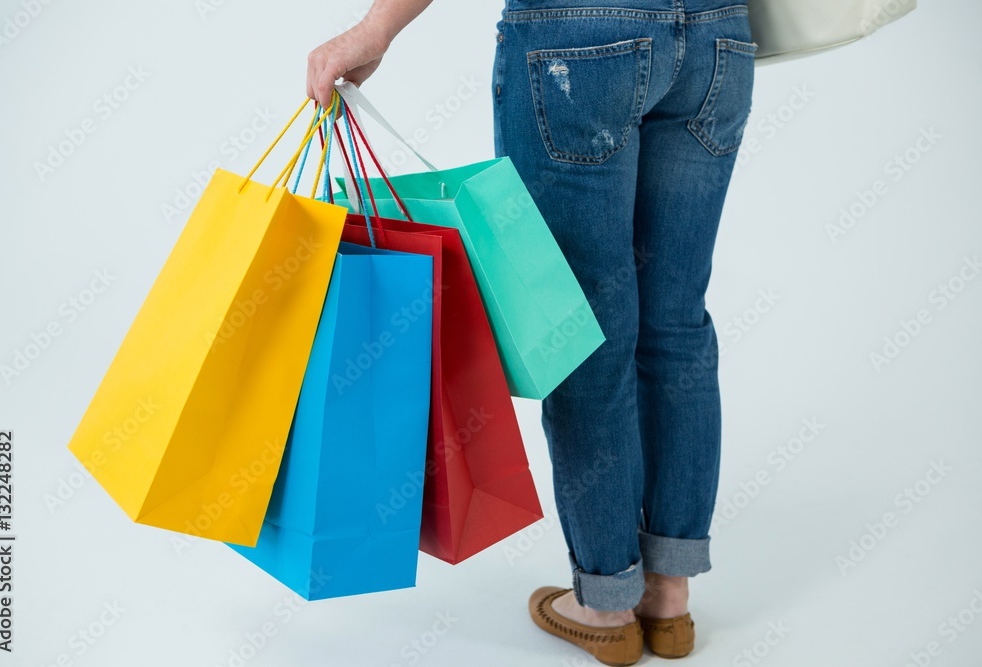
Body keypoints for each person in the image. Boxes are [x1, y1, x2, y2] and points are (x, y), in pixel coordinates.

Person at [307, 0, 755, 664]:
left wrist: (377, 28)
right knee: (677, 321)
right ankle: (669, 593)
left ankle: (605, 601)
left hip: (581, 41)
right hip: (717, 36)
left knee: (586, 332)